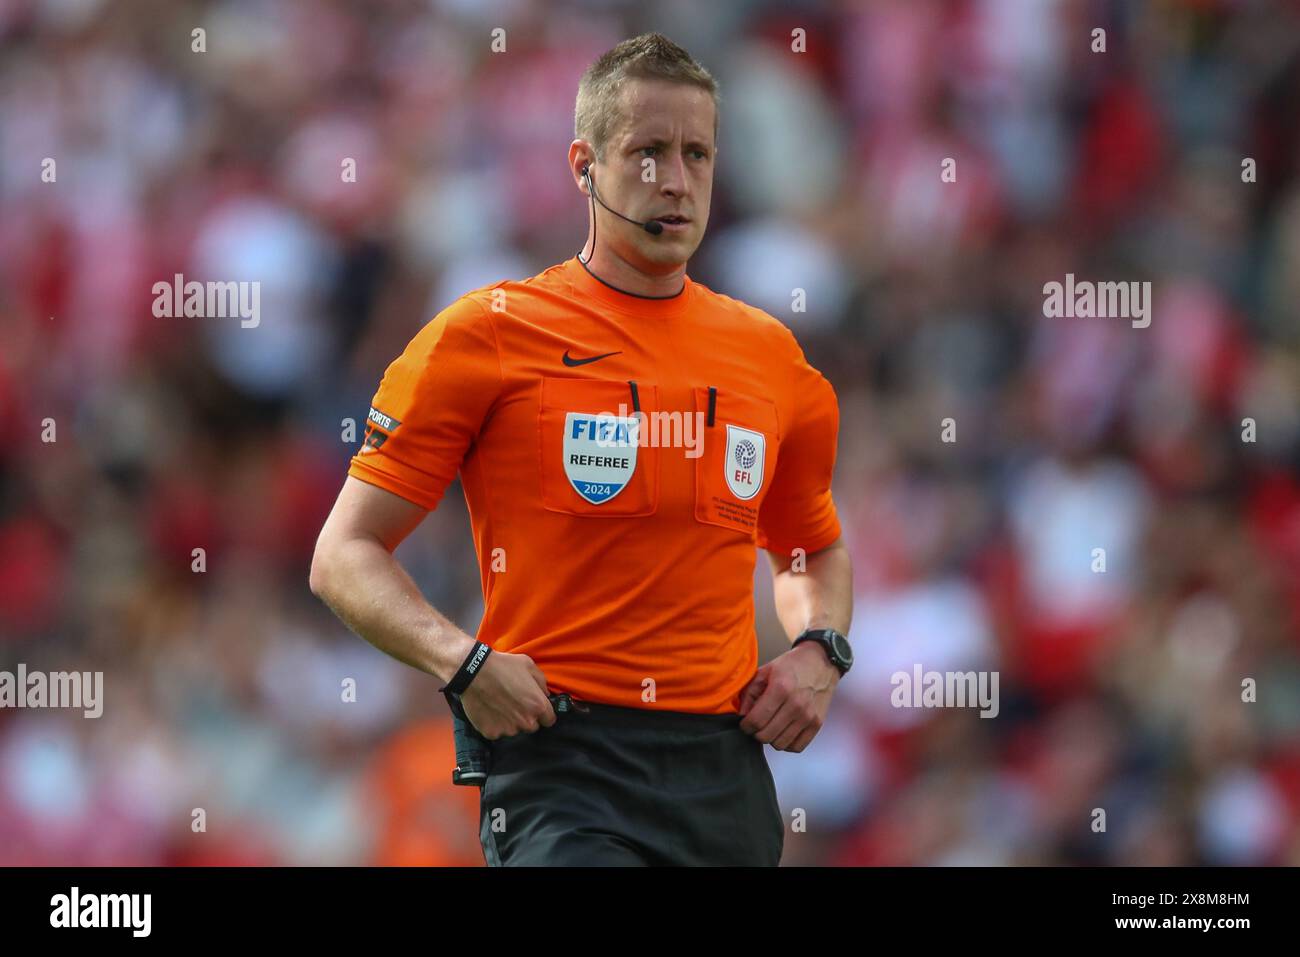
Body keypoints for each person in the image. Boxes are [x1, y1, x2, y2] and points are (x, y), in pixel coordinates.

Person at [310, 32, 853, 866]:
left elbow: (810, 548)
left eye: (697, 153)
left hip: (724, 775)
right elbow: (343, 553)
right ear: (583, 164)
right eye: (647, 151)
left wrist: (819, 649)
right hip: (563, 766)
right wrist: (460, 660)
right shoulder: (487, 334)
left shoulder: (771, 357)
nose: (675, 180)